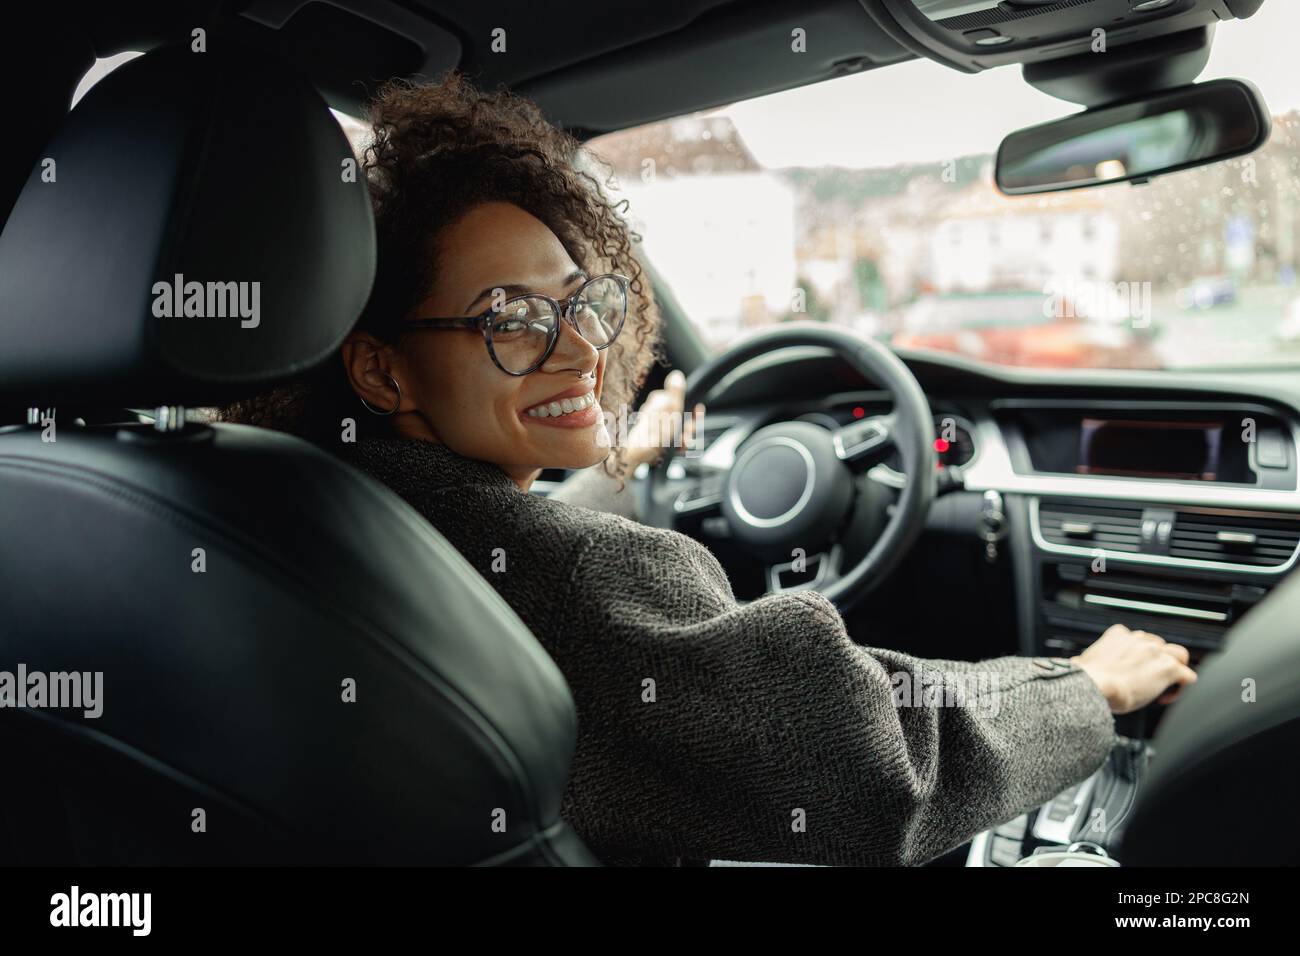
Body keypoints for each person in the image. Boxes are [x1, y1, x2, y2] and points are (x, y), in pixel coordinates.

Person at [222, 73, 1197, 866]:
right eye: (510, 320)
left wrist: (626, 465)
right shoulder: (588, 582)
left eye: (584, 301)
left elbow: (514, 555)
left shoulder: (280, 506)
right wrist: (1080, 684)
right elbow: (880, 774)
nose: (579, 353)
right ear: (382, 367)